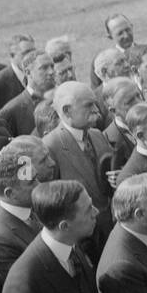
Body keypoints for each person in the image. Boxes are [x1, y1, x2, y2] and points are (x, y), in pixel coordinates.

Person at [42, 81, 115, 241]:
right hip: (81, 239)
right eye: (89, 105)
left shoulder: (98, 135)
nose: (96, 110)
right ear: (67, 111)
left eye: (95, 104)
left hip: (109, 228)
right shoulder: (49, 147)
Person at [0, 149, 43, 284]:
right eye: (32, 182)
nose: (39, 185)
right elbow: (28, 285)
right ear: (10, 193)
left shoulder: (34, 204)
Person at [0, 52, 57, 137]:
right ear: (28, 72)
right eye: (44, 68)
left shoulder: (62, 99)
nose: (51, 72)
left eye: (52, 66)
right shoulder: (10, 111)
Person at [0, 34, 36, 112]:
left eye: (34, 52)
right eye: (26, 53)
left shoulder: (40, 74)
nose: (32, 57)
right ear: (12, 56)